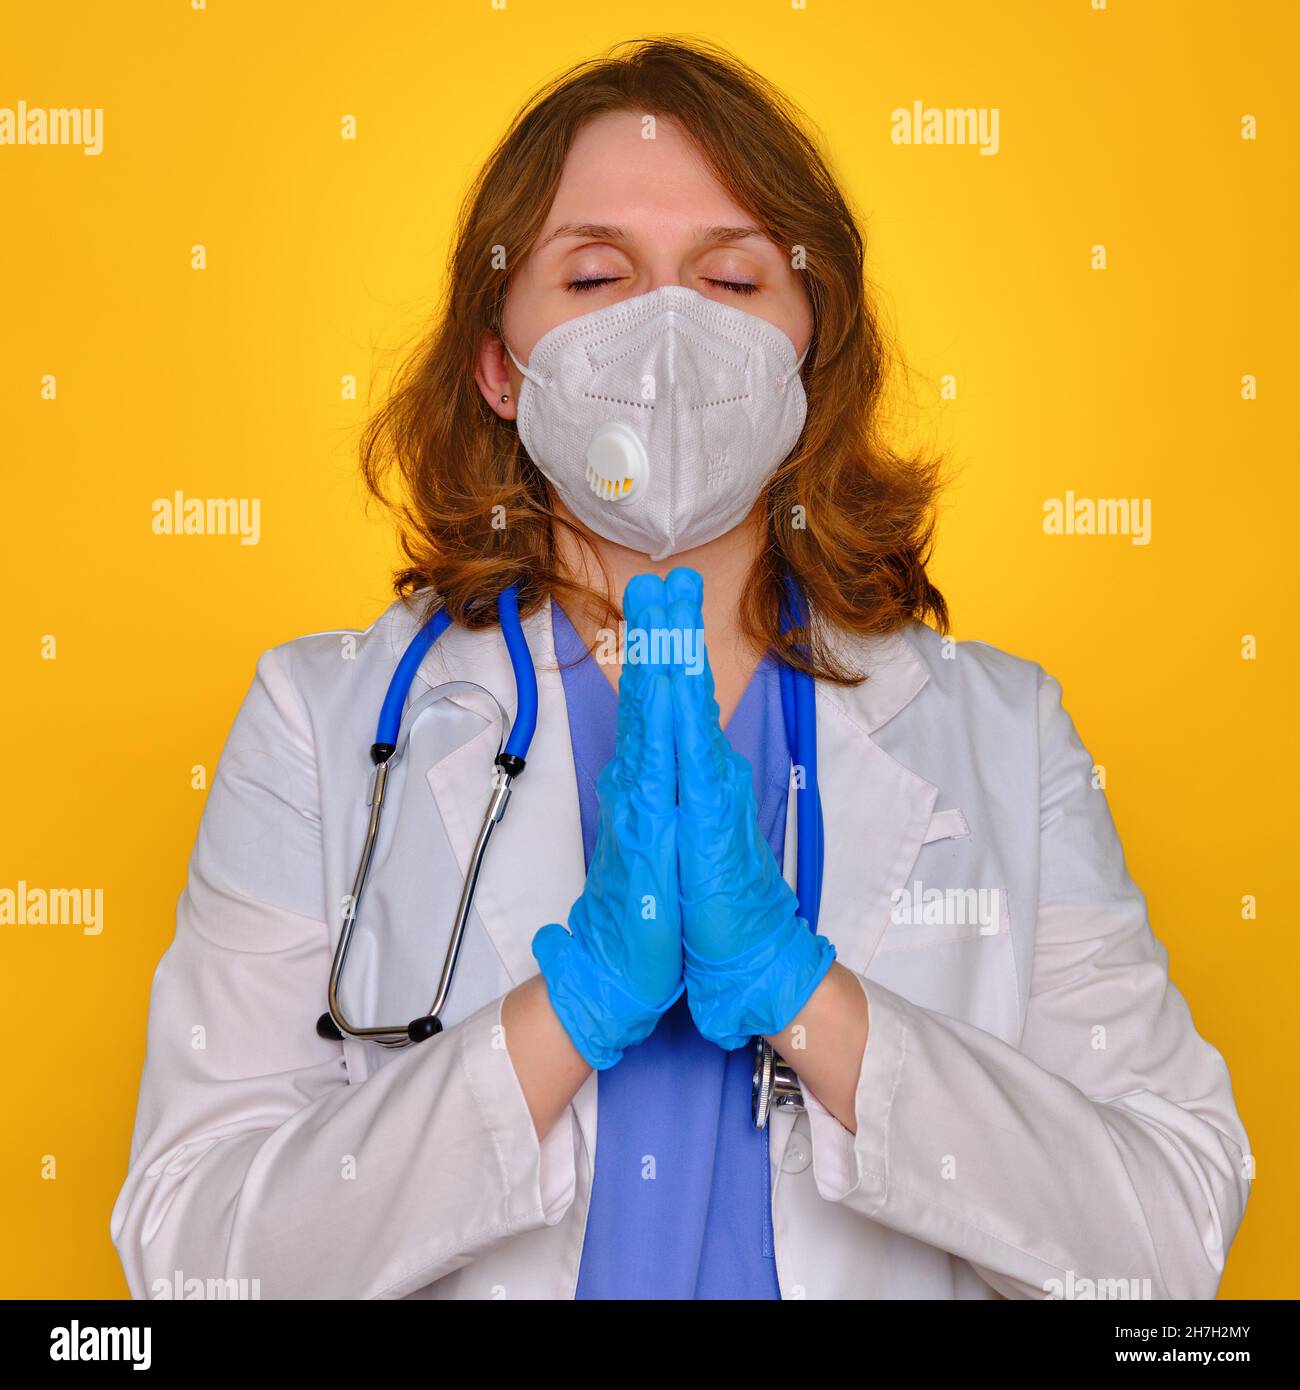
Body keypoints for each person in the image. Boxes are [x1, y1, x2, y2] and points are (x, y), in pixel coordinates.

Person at [111, 37, 1250, 1300]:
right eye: (596, 277)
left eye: (731, 278)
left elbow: (1165, 1240)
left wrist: (805, 1000)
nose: (665, 339)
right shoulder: (322, 724)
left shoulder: (1005, 732)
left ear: (808, 356)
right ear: (499, 364)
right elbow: (193, 1261)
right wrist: (566, 1012)